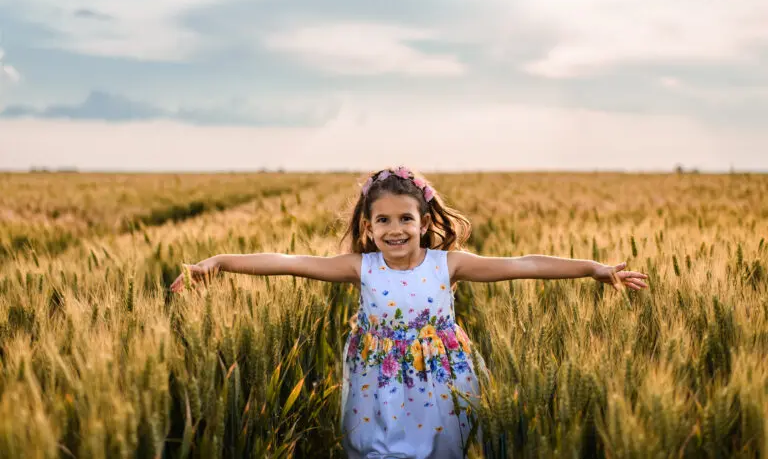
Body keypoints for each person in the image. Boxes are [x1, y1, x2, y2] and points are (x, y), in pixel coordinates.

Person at [169, 166, 648, 458]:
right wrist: (220, 262)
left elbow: (523, 265)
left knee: (441, 448)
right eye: (383, 220)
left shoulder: (449, 264)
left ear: (424, 222)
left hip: (438, 380)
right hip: (377, 381)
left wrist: (593, 268)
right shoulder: (362, 268)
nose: (394, 229)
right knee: (377, 448)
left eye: (405, 219)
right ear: (368, 225)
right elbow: (292, 263)